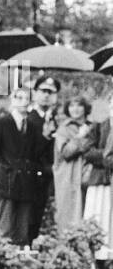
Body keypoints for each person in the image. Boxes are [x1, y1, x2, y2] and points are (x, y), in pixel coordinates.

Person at [0, 86, 46, 246]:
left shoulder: (33, 127)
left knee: (23, 228)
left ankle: (20, 259)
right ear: (12, 100)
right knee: (5, 225)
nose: (24, 102)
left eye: (27, 98)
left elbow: (37, 154)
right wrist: (1, 173)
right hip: (7, 181)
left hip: (27, 182)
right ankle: (2, 257)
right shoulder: (1, 123)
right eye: (19, 98)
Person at [53, 96, 93, 233]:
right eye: (71, 106)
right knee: (70, 216)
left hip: (88, 177)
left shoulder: (93, 126)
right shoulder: (63, 129)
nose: (75, 109)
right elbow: (66, 153)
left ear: (85, 108)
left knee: (89, 215)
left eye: (79, 105)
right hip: (69, 178)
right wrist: (80, 137)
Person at [27, 74, 59, 240]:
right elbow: (28, 150)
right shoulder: (28, 118)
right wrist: (45, 136)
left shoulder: (58, 118)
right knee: (32, 219)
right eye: (43, 91)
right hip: (34, 176)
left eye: (51, 92)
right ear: (35, 93)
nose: (46, 95)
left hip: (53, 177)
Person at [84, 96, 113, 261]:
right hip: (100, 178)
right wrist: (105, 156)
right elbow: (88, 151)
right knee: (98, 215)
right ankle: (96, 255)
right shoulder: (100, 125)